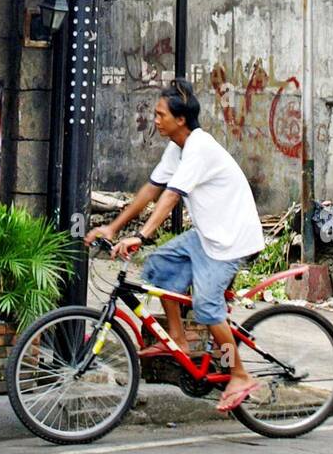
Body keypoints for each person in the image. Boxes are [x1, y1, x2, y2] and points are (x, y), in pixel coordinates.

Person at [84, 78, 264, 414]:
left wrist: (143, 235)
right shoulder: (177, 147)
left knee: (208, 308)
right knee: (159, 270)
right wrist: (113, 226)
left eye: (160, 114)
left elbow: (171, 196)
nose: (155, 119)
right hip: (207, 235)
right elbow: (151, 190)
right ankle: (178, 340)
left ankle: (238, 373)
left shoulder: (200, 148)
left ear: (180, 119)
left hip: (230, 240)